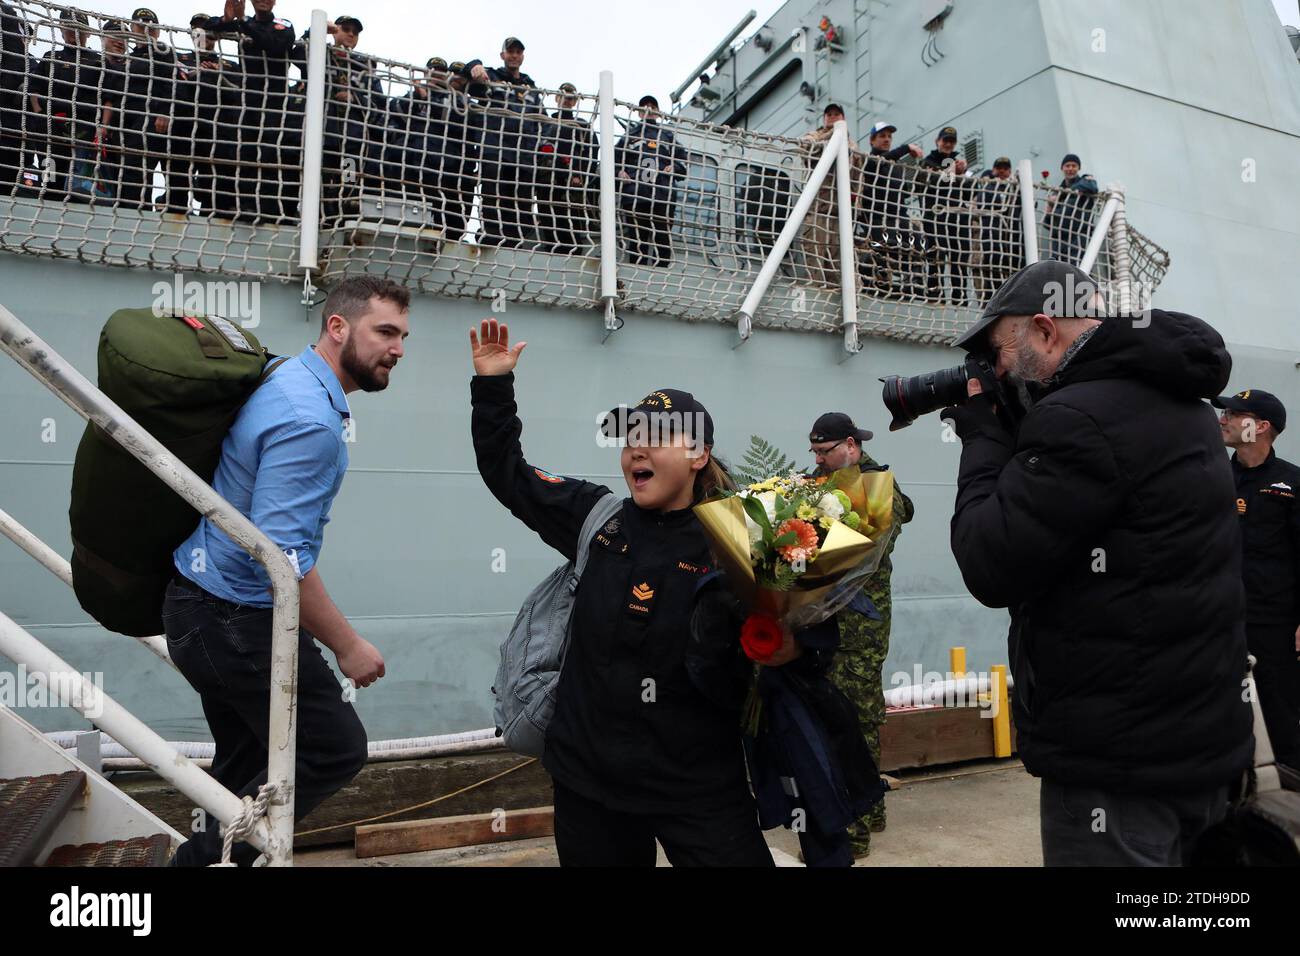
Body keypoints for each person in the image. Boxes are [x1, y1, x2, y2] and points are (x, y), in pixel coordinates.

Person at [942, 259, 1253, 866]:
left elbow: (989, 562)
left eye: (998, 352)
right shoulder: (1180, 402)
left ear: (1043, 330)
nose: (995, 371)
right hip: (1198, 744)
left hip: (1118, 766)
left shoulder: (1078, 419)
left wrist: (983, 440)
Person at [468, 317, 781, 866]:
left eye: (658, 438)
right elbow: (507, 473)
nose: (638, 449)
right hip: (590, 784)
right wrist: (494, 385)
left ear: (698, 455)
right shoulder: (598, 519)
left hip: (698, 786)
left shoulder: (739, 539)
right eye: (632, 438)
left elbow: (795, 637)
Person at [163, 275, 408, 866]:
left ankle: (210, 858)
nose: (397, 348)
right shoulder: (311, 422)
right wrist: (349, 647)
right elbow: (278, 559)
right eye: (385, 332)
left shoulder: (285, 375)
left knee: (247, 765)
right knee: (334, 747)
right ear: (338, 327)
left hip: (198, 605)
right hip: (233, 621)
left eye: (402, 335)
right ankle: (200, 862)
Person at [808, 412, 914, 857]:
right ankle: (872, 809)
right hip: (823, 618)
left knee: (857, 715)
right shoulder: (819, 481)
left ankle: (855, 831)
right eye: (814, 452)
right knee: (835, 713)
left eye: (825, 452)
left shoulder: (877, 484)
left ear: (850, 445)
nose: (818, 460)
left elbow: (883, 530)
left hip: (861, 620)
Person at [1215, 388, 1300, 769]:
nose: (1223, 419)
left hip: (1273, 622)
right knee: (1216, 706)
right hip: (1215, 618)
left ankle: (1290, 792)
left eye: (1234, 413)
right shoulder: (1210, 478)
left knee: (1280, 707)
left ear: (1261, 426)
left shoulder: (1291, 484)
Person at [197, 0, 296, 223]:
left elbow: (275, 46)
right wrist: (225, 20)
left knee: (270, 155)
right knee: (243, 153)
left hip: (274, 102)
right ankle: (246, 204)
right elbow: (208, 29)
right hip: (247, 102)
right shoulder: (245, 23)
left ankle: (269, 210)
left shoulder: (283, 25)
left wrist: (242, 23)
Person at [463, 38, 544, 247]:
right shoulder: (491, 77)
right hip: (496, 150)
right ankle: (492, 240)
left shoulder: (531, 88)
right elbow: (463, 76)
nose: (514, 55)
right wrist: (475, 65)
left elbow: (542, 121)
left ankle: (517, 243)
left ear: (522, 56)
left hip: (523, 155)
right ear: (503, 55)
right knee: (493, 198)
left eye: (518, 52)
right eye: (510, 52)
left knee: (522, 203)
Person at [28, 8, 102, 201]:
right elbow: (34, 89)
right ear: (61, 29)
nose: (73, 32)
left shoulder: (98, 62)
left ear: (88, 32)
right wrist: (40, 115)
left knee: (80, 186)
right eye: (68, 27)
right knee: (51, 179)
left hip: (84, 134)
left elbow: (108, 96)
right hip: (51, 130)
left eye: (78, 28)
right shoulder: (50, 57)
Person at [169, 13, 235, 214]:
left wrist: (217, 73)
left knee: (212, 185)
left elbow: (238, 92)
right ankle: (176, 215)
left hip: (215, 131)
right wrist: (192, 73)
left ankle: (211, 219)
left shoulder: (229, 65)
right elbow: (170, 85)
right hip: (184, 127)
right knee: (178, 179)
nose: (202, 34)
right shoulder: (178, 58)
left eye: (206, 29)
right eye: (197, 29)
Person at [113, 8, 178, 210]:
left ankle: (137, 212)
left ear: (157, 33)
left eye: (151, 28)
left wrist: (165, 111)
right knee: (124, 168)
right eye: (141, 26)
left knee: (136, 166)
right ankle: (126, 209)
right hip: (125, 119)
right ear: (132, 28)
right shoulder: (127, 58)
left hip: (150, 115)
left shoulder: (163, 52)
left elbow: (171, 81)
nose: (145, 31)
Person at [615, 94, 686, 267]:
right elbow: (613, 161)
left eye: (653, 107)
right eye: (644, 107)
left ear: (658, 112)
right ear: (639, 113)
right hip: (635, 195)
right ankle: (636, 271)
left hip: (662, 195)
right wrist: (619, 172)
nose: (648, 110)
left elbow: (683, 162)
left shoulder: (668, 137)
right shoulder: (629, 136)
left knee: (662, 236)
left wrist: (674, 167)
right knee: (637, 238)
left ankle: (661, 272)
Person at [859, 120, 922, 298]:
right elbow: (881, 162)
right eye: (882, 136)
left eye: (889, 136)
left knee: (917, 239)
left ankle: (912, 283)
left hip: (897, 216)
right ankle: (871, 281)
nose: (886, 139)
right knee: (885, 246)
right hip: (877, 217)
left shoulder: (895, 167)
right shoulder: (869, 160)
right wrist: (906, 148)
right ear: (872, 140)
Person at [798, 103, 859, 287]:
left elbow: (857, 171)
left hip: (842, 217)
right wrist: (834, 134)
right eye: (829, 114)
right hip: (818, 214)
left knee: (842, 275)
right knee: (816, 270)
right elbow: (807, 149)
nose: (832, 117)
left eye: (837, 114)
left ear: (844, 119)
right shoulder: (814, 136)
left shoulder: (851, 145)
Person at [535, 82, 596, 255]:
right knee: (548, 218)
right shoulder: (546, 122)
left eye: (571, 98)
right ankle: (551, 251)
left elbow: (591, 152)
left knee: (572, 221)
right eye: (564, 97)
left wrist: (582, 175)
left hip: (572, 180)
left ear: (575, 101)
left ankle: (574, 253)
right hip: (547, 179)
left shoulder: (582, 125)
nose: (567, 101)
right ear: (557, 98)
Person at [919, 126, 971, 305]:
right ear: (937, 141)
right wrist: (951, 172)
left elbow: (970, 194)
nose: (948, 144)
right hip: (935, 218)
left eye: (951, 141)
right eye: (945, 140)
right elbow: (925, 183)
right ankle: (935, 297)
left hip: (958, 219)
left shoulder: (959, 164)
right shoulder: (927, 162)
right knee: (934, 258)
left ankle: (960, 298)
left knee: (959, 259)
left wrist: (964, 175)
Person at [974, 157, 1022, 304]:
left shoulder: (1015, 189)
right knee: (992, 270)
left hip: (1012, 241)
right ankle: (990, 302)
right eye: (999, 168)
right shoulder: (988, 185)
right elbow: (983, 201)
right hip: (992, 239)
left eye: (1005, 169)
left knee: (1013, 273)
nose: (1002, 171)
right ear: (994, 170)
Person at [1044, 152, 1098, 264]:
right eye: (1067, 166)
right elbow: (1047, 224)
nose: (1070, 169)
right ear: (1062, 168)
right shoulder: (1057, 191)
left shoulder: (1085, 181)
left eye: (1074, 166)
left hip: (1078, 238)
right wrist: (1049, 207)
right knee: (1058, 274)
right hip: (1059, 241)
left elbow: (1092, 186)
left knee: (1077, 271)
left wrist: (1061, 195)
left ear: (1079, 168)